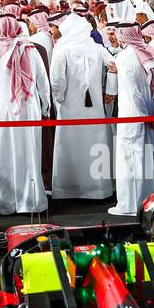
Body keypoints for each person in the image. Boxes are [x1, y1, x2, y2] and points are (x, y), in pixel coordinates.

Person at [0, 10, 51, 216]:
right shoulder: (31, 50)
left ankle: (7, 203)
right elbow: (44, 84)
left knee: (4, 155)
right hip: (28, 110)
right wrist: (46, 107)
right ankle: (31, 201)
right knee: (29, 153)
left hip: (1, 111)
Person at [48, 10, 115, 200]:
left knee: (69, 144)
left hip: (70, 106)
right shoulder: (96, 47)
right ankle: (97, 189)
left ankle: (68, 189)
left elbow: (57, 81)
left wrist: (59, 99)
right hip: (94, 108)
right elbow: (114, 64)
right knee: (95, 144)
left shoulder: (62, 49)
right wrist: (111, 90)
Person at [108, 14, 154, 217]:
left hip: (134, 116)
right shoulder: (149, 51)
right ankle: (151, 200)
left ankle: (131, 205)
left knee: (131, 160)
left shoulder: (124, 57)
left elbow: (134, 92)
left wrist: (144, 116)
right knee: (148, 159)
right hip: (150, 113)